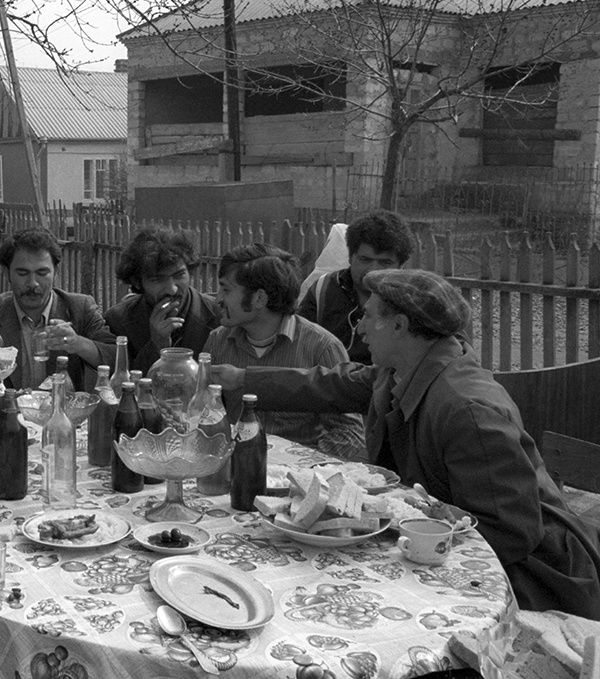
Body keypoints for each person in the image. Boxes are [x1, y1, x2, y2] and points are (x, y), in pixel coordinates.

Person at [212, 269, 600, 618]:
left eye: (367, 316)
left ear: (399, 325)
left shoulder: (467, 410)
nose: (359, 329)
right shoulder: (401, 369)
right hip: (435, 551)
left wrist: (399, 530)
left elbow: (512, 533)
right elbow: (329, 383)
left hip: (532, 579)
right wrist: (241, 379)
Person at [203, 243, 364, 460]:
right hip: (235, 471)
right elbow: (204, 415)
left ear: (259, 298)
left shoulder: (322, 347)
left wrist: (300, 466)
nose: (218, 299)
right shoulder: (218, 341)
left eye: (227, 290)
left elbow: (349, 435)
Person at [0, 227, 115, 390]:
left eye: (42, 273)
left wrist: (77, 343)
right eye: (23, 273)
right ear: (6, 273)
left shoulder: (80, 308)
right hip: (6, 412)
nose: (33, 283)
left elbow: (114, 357)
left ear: (56, 272)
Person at [298, 210, 415, 364]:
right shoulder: (322, 289)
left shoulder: (413, 302)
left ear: (401, 266)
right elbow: (299, 344)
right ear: (350, 257)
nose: (373, 270)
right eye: (365, 260)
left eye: (385, 263)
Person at [104, 225, 221, 371]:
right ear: (137, 282)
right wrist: (156, 344)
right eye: (157, 280)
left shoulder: (219, 315)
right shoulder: (119, 320)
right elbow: (122, 383)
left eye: (179, 275)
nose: (172, 290)